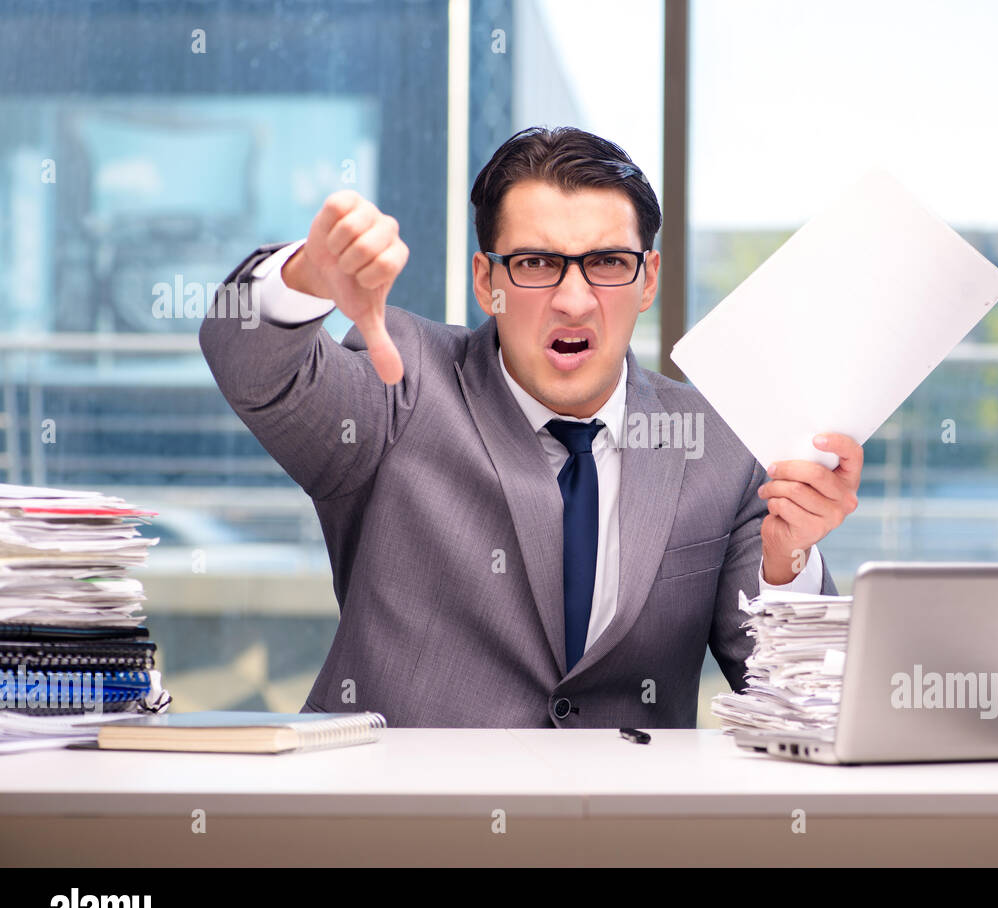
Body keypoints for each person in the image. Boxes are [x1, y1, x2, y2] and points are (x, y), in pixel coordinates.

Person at [200, 126, 862, 727]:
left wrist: (790, 559)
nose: (574, 300)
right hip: (409, 830)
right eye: (538, 264)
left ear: (649, 279)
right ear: (488, 282)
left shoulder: (720, 444)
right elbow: (251, 364)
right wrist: (306, 278)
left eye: (606, 263)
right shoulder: (403, 381)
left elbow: (794, 701)